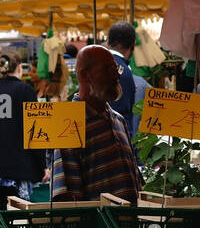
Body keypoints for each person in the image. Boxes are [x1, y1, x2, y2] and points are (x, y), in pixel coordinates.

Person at [50, 45, 141, 202]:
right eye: (107, 70)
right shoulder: (68, 126)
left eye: (116, 69)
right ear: (85, 75)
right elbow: (66, 199)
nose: (116, 76)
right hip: (98, 226)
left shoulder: (118, 120)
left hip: (128, 224)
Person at [0, 54, 48, 210]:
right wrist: (43, 165)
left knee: (0, 215)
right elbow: (34, 132)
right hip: (18, 169)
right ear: (19, 67)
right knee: (17, 221)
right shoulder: (26, 91)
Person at [105, 22, 137, 130]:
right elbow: (120, 116)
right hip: (116, 138)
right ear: (133, 44)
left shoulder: (99, 63)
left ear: (108, 42)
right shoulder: (122, 71)